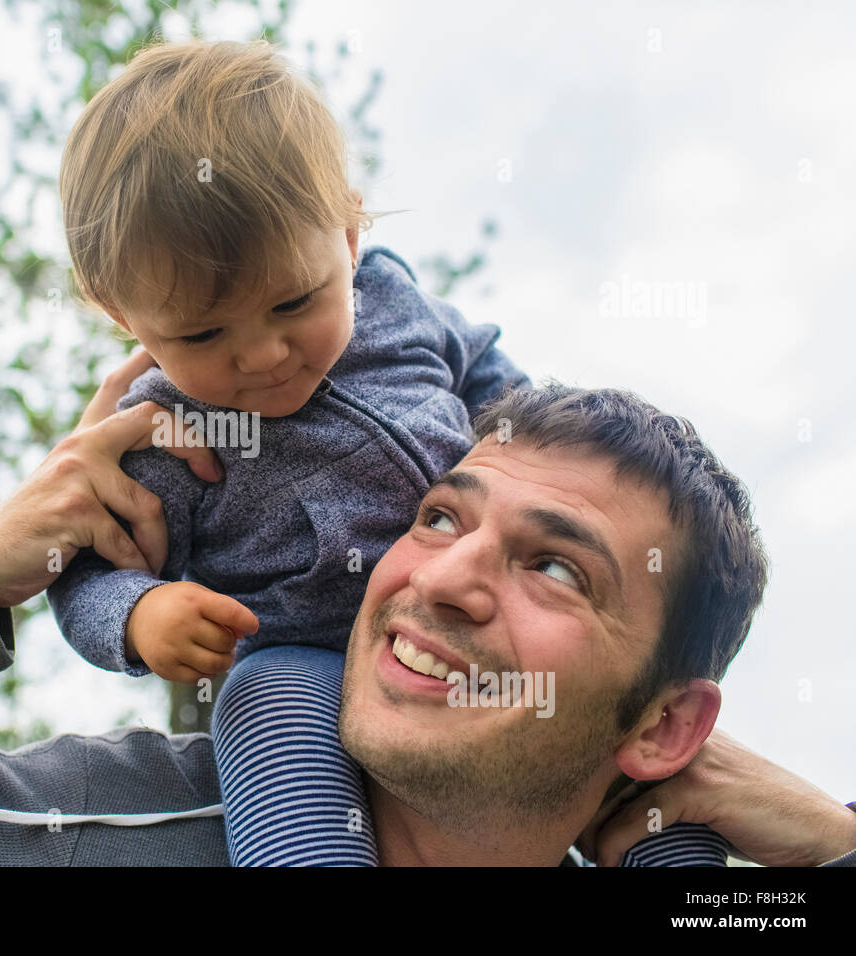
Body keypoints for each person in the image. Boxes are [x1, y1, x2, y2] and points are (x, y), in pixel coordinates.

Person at [0, 351, 856, 867]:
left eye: (556, 568)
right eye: (441, 516)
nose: (446, 576)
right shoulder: (67, 826)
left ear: (666, 726)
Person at [46, 36, 731, 866]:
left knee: (642, 765)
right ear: (123, 316)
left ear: (347, 232)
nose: (262, 355)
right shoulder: (157, 434)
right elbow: (82, 569)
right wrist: (138, 613)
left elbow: (495, 382)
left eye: (295, 302)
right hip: (304, 652)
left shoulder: (395, 304)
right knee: (266, 715)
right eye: (202, 333)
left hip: (484, 646)